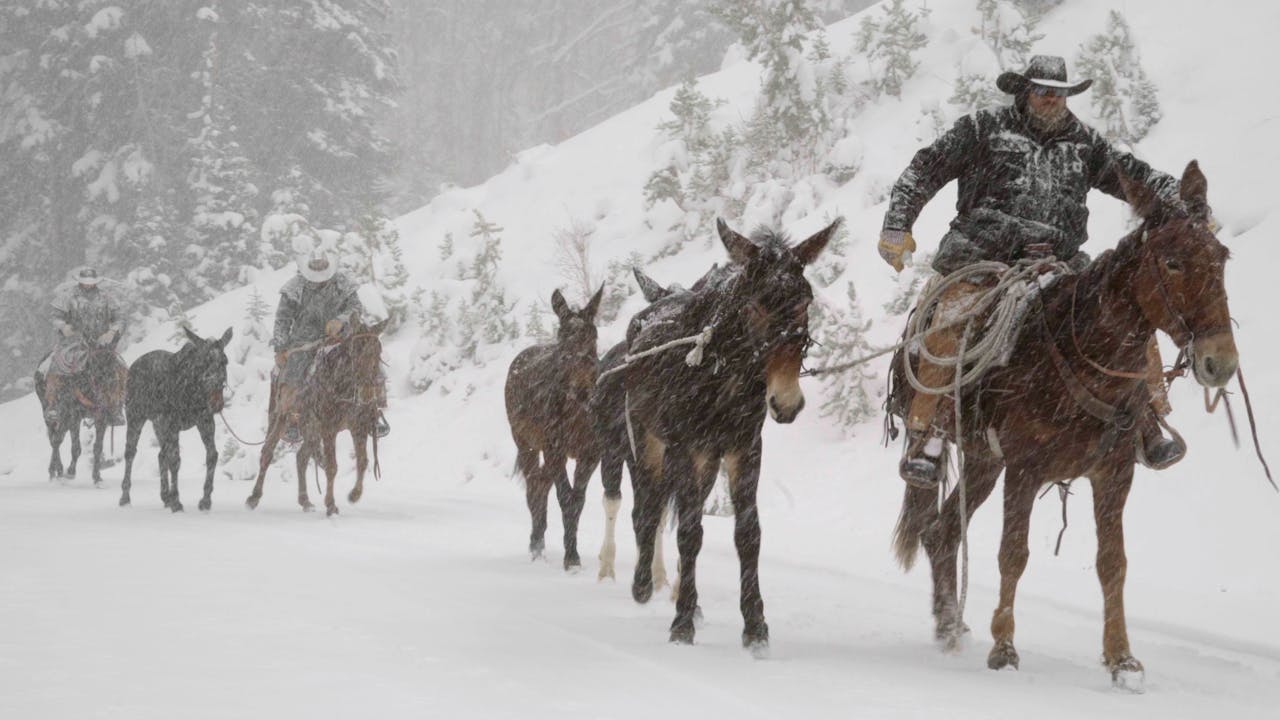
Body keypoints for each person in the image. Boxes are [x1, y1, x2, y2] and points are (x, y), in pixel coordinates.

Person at [878, 55, 1187, 487]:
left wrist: (1185, 200)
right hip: (980, 260)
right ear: (1024, 91)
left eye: (1059, 92)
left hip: (1059, 265)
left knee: (1126, 316)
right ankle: (926, 435)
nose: (1051, 99)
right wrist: (897, 225)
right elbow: (924, 169)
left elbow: (1139, 179)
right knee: (949, 324)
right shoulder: (983, 129)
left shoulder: (1084, 144)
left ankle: (1148, 421)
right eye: (1042, 91)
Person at [272, 237, 390, 444]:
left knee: (369, 358)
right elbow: (282, 320)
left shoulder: (343, 283)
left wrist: (340, 320)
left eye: (323, 264)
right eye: (315, 265)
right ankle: (294, 417)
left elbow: (355, 307)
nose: (319, 269)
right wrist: (280, 348)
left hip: (340, 339)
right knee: (295, 371)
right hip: (304, 344)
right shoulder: (294, 288)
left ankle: (375, 408)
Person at [44, 266, 129, 425]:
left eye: (91, 282)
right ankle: (53, 405)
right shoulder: (67, 297)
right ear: (80, 281)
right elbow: (55, 317)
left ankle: (117, 406)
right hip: (73, 343)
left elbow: (120, 318)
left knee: (121, 369)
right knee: (57, 367)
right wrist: (64, 327)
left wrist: (111, 332)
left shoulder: (107, 297)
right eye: (85, 282)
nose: (88, 284)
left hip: (101, 344)